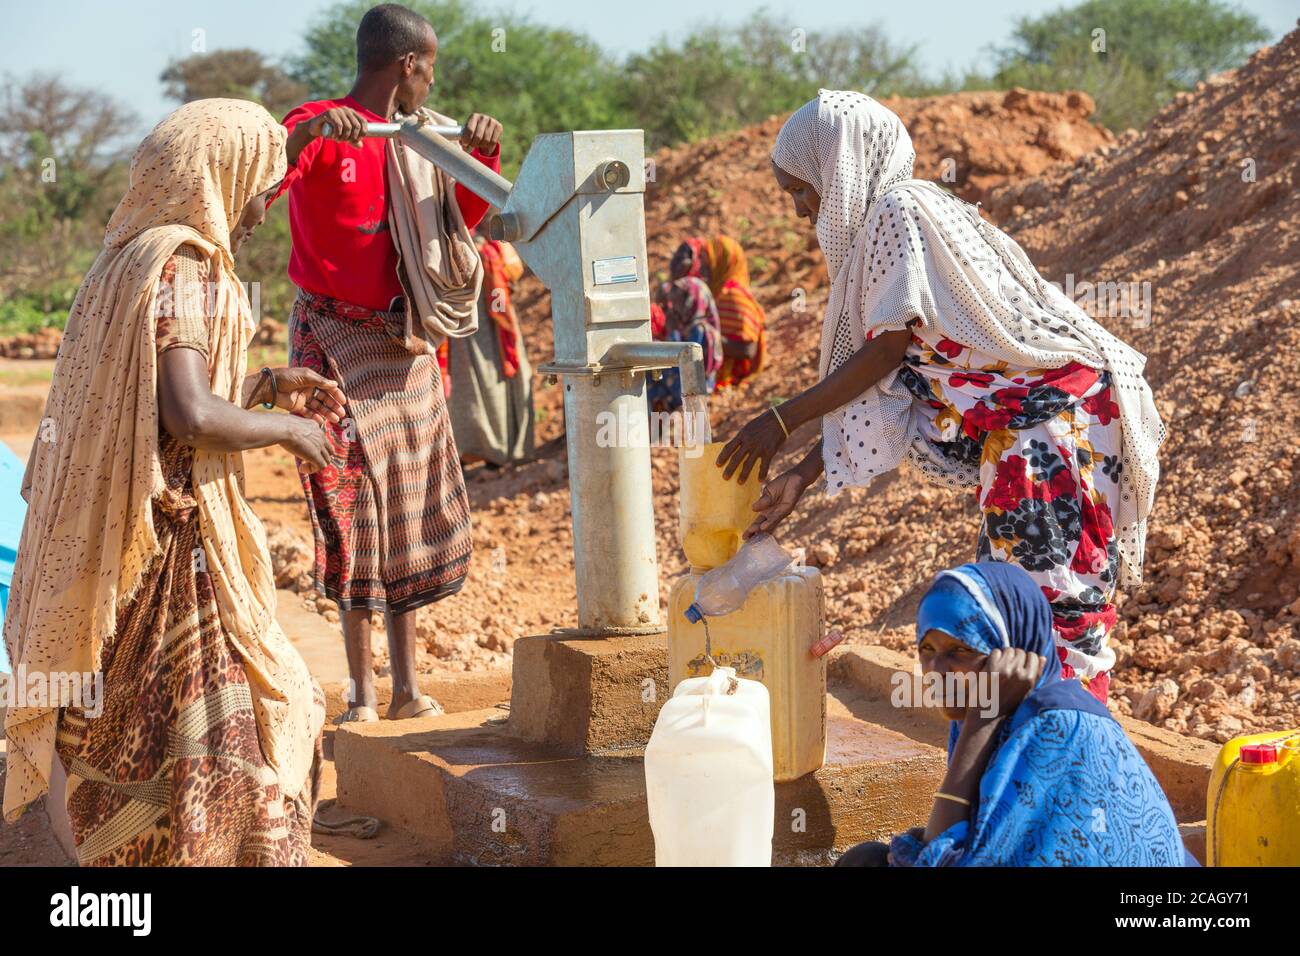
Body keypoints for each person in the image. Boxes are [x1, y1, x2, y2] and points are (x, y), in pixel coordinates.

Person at [717, 91, 1164, 703]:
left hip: (1055, 424)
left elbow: (883, 353)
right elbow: (894, 380)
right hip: (1025, 430)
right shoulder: (892, 227)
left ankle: (1071, 761)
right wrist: (803, 474)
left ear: (840, 167)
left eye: (802, 189)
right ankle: (1029, 763)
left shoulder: (899, 212)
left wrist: (780, 420)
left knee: (1047, 612)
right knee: (1014, 611)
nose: (800, 211)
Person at [2, 99, 337, 865]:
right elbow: (186, 413)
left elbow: (151, 398)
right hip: (170, 546)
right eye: (261, 187)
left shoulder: (125, 257)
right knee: (223, 732)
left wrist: (265, 386)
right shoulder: (184, 262)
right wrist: (293, 429)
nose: (260, 210)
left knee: (120, 731)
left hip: (121, 545)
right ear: (222, 175)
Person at [275, 4, 504, 723]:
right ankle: (362, 694)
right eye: (428, 68)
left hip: (407, 347)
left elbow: (460, 220)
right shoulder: (319, 122)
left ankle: (406, 690)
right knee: (353, 517)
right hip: (333, 346)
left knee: (405, 513)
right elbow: (271, 172)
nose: (430, 83)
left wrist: (482, 154)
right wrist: (312, 134)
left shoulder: (422, 140)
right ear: (408, 64)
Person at [837, 562, 1186, 866]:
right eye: (927, 649)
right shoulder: (995, 711)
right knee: (865, 860)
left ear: (1011, 650)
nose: (935, 670)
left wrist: (981, 725)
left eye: (959, 650)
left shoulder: (1055, 729)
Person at [449, 227, 534, 467]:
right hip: (467, 309)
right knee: (471, 377)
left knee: (497, 370)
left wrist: (483, 252)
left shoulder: (486, 206)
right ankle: (479, 450)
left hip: (491, 304)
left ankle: (505, 448)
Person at [670, 236, 766, 388]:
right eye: (703, 259)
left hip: (727, 379)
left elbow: (747, 349)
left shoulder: (734, 296)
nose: (703, 266)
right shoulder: (713, 292)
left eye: (709, 260)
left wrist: (705, 337)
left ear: (722, 262)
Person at [648, 276, 723, 413]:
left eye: (679, 301)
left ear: (692, 300)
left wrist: (669, 336)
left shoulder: (700, 330)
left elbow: (688, 368)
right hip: (682, 382)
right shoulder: (684, 325)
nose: (674, 306)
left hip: (696, 389)